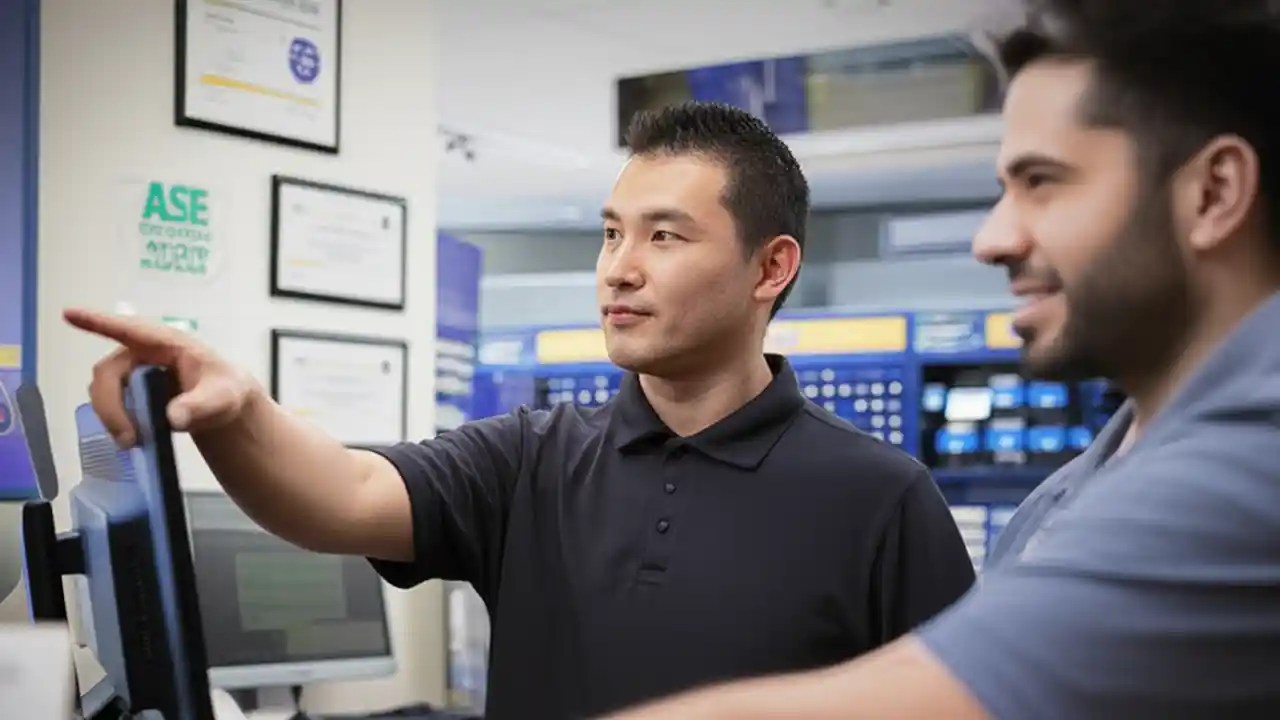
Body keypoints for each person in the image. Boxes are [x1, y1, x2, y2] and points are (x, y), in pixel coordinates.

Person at [67, 101, 975, 719]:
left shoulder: (881, 497)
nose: (619, 267)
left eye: (665, 235)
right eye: (612, 233)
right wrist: (233, 412)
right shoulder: (530, 458)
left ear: (770, 268)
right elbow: (339, 495)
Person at [604, 2, 1280, 719]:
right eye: (1003, 190)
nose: (993, 239)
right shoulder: (1061, 501)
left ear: (1213, 193)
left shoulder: (1254, 462)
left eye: (1043, 182)